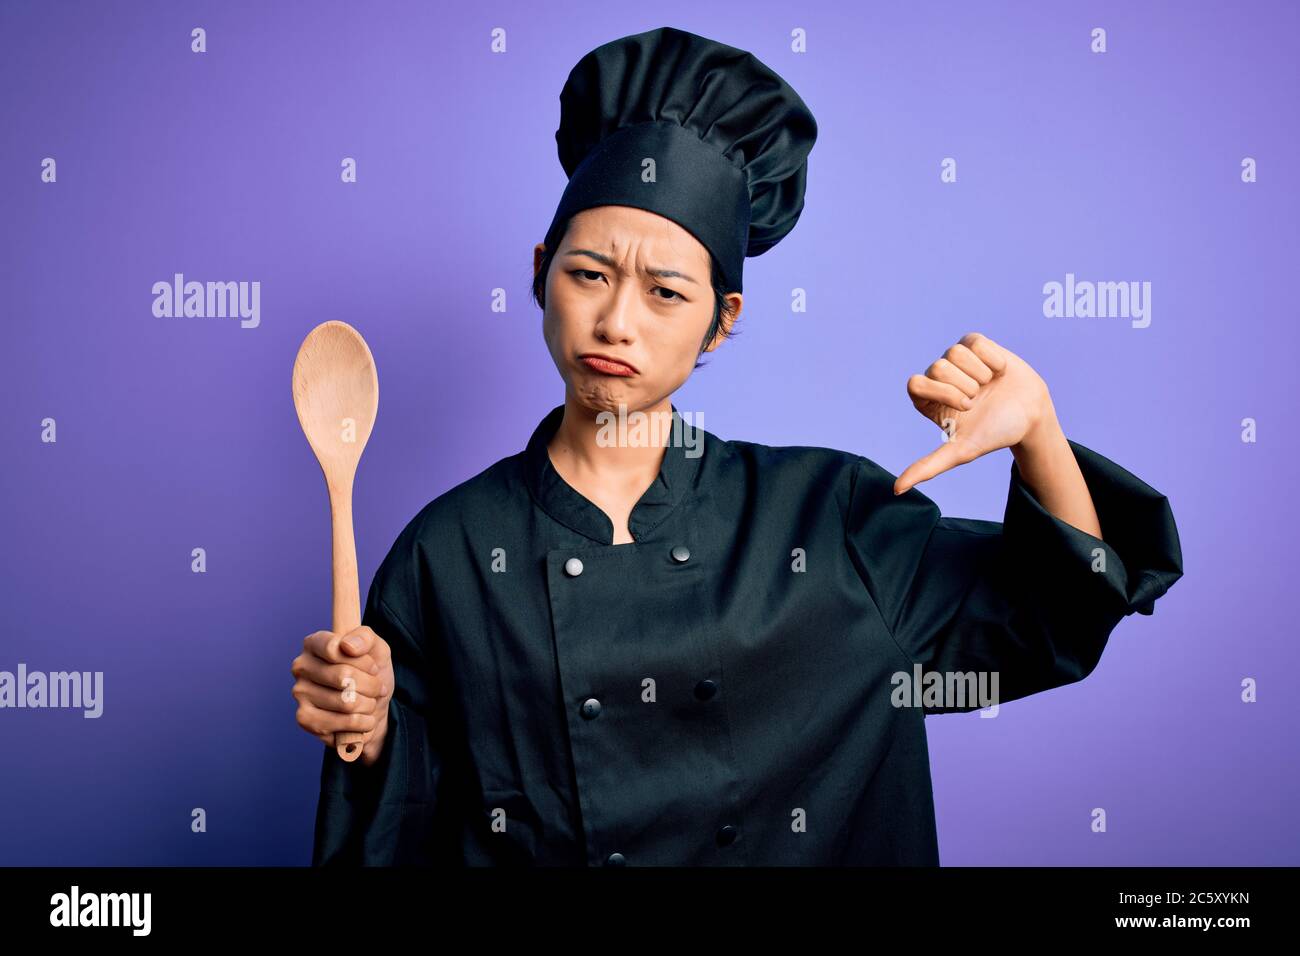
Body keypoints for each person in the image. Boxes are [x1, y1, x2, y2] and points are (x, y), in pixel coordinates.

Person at [292, 26, 1182, 866]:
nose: (615, 321)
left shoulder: (829, 519)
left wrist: (1038, 436)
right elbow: (402, 811)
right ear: (538, 273)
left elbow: (1056, 621)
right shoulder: (446, 551)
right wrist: (369, 733)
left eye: (666, 293)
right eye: (588, 274)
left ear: (723, 323)